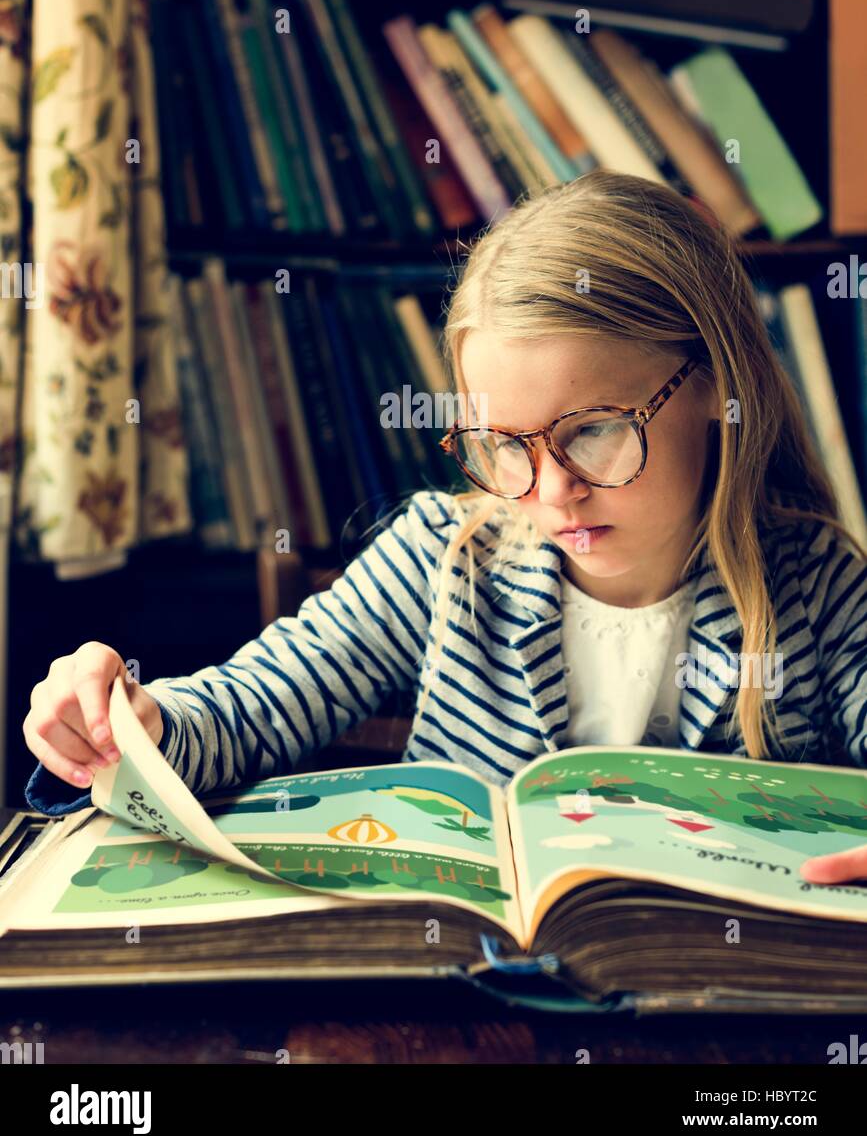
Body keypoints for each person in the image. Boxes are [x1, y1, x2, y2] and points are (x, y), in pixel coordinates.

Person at [21, 171, 867, 886]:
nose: (551, 490)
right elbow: (249, 713)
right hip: (473, 994)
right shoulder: (442, 560)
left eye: (594, 430)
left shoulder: (818, 586)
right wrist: (126, 720)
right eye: (502, 444)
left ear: (716, 387)